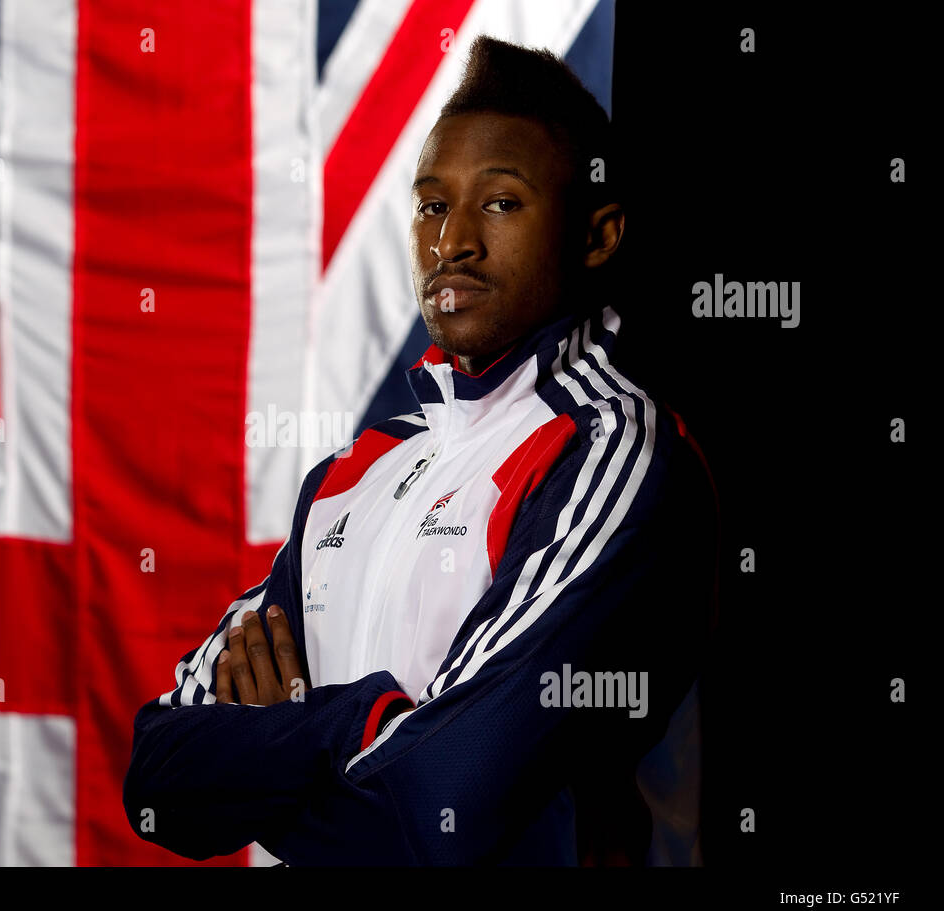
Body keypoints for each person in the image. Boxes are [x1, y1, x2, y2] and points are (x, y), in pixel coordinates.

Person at [123, 36, 718, 865]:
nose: (453, 243)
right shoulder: (357, 472)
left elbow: (445, 806)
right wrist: (364, 725)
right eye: (432, 205)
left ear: (598, 236)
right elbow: (156, 783)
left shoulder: (614, 451)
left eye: (501, 203)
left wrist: (268, 753)